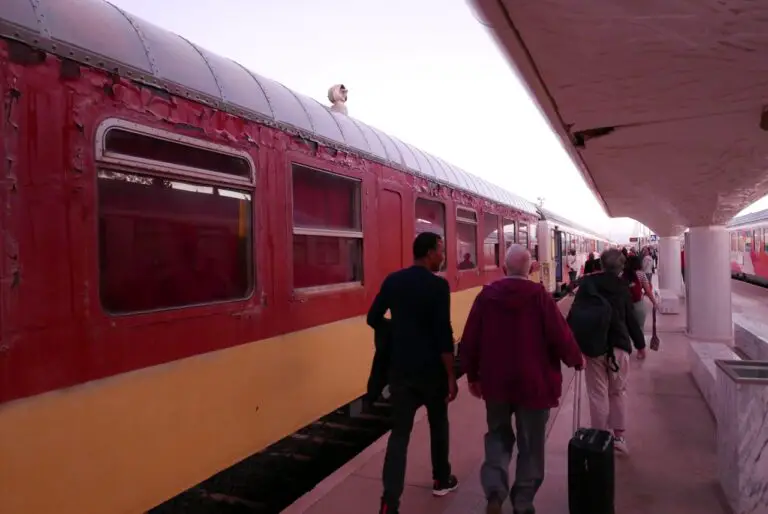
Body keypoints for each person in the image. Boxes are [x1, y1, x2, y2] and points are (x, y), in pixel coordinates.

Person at [461, 244, 585, 514]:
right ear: (530, 269)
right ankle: (523, 502)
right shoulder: (539, 296)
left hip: (496, 384)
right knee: (531, 445)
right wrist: (576, 359)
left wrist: (472, 375)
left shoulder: (487, 296)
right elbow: (560, 335)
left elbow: (470, 339)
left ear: (504, 268)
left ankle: (495, 491)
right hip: (534, 384)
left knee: (497, 436)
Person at [367, 231, 459, 514]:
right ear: (430, 252)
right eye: (441, 251)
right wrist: (451, 376)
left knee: (399, 436)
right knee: (438, 425)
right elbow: (444, 335)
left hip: (401, 370)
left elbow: (373, 318)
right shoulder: (438, 287)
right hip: (431, 371)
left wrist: (396, 333)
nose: (443, 256)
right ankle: (441, 479)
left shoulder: (393, 281)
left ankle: (389, 503)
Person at [569, 249, 646, 455]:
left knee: (597, 394)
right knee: (617, 391)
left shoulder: (587, 284)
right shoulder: (622, 287)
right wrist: (640, 345)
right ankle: (619, 438)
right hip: (619, 346)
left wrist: (573, 347)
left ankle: (600, 439)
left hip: (594, 347)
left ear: (601, 265)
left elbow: (574, 316)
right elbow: (630, 319)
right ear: (621, 268)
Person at [624, 254, 658, 331]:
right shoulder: (641, 274)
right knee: (639, 328)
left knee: (626, 330)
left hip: (625, 305)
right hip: (638, 304)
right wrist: (654, 302)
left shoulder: (622, 274)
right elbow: (648, 291)